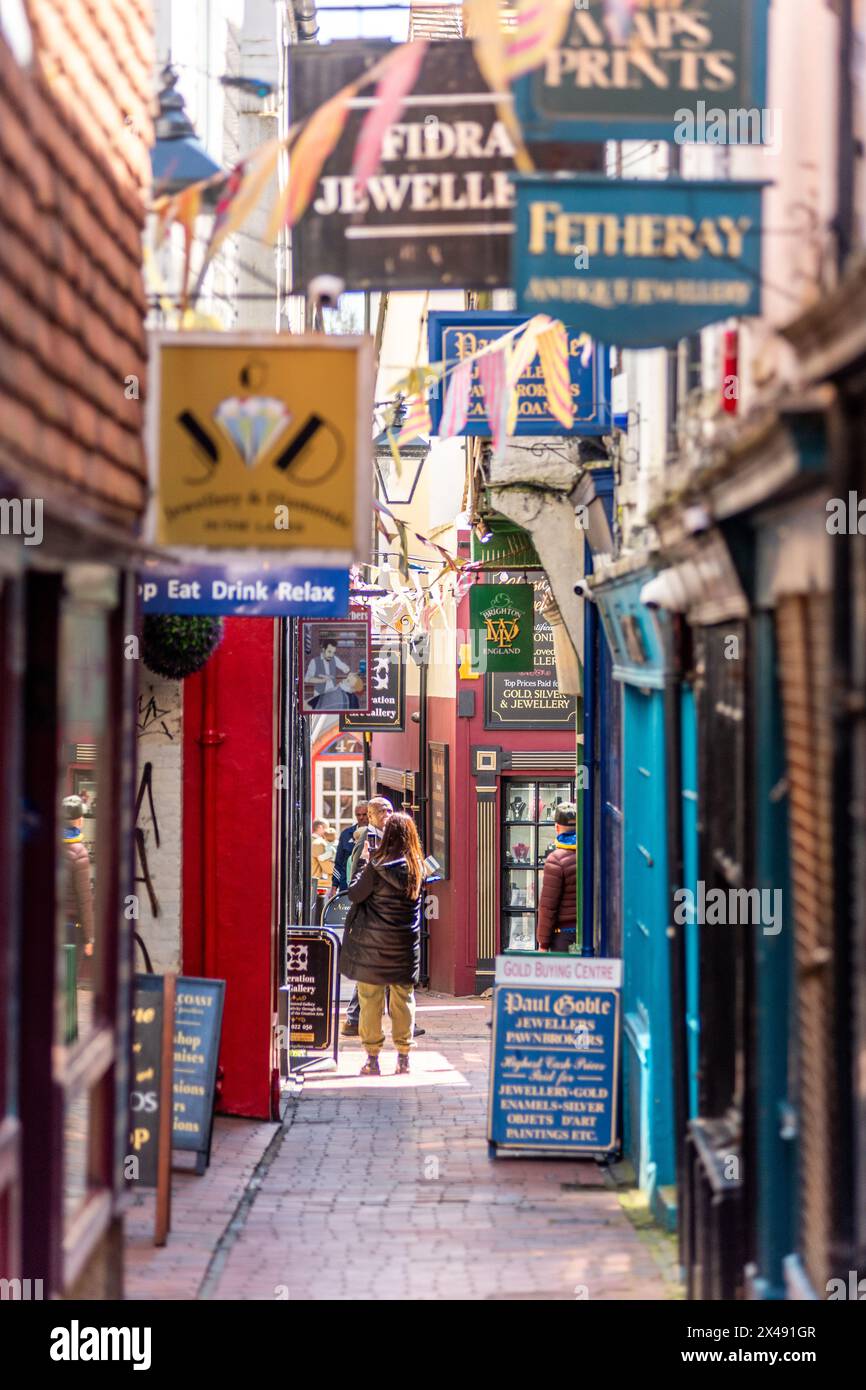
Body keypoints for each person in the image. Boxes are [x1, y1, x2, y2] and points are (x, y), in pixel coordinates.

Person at [341, 812, 425, 1076]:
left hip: (372, 948)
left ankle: (372, 1058)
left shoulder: (376, 865)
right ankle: (403, 1057)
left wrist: (364, 860)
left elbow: (354, 893)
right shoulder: (417, 867)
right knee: (403, 1000)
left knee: (370, 1001)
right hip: (404, 948)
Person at [536, 802, 578, 952]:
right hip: (589, 932)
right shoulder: (591, 853)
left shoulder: (556, 860)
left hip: (563, 937)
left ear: (557, 827)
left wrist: (543, 943)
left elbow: (548, 906)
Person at [62, 795, 94, 967]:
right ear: (80, 820)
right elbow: (84, 899)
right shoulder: (79, 852)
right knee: (68, 982)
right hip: (71, 929)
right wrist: (89, 938)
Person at [333, 802, 368, 893]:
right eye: (358, 815)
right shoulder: (346, 834)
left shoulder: (374, 833)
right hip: (346, 887)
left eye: (364, 814)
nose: (361, 817)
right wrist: (334, 886)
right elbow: (338, 862)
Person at [311, 819, 336, 896]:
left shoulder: (311, 840)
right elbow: (328, 868)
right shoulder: (319, 843)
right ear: (320, 827)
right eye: (327, 828)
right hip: (321, 884)